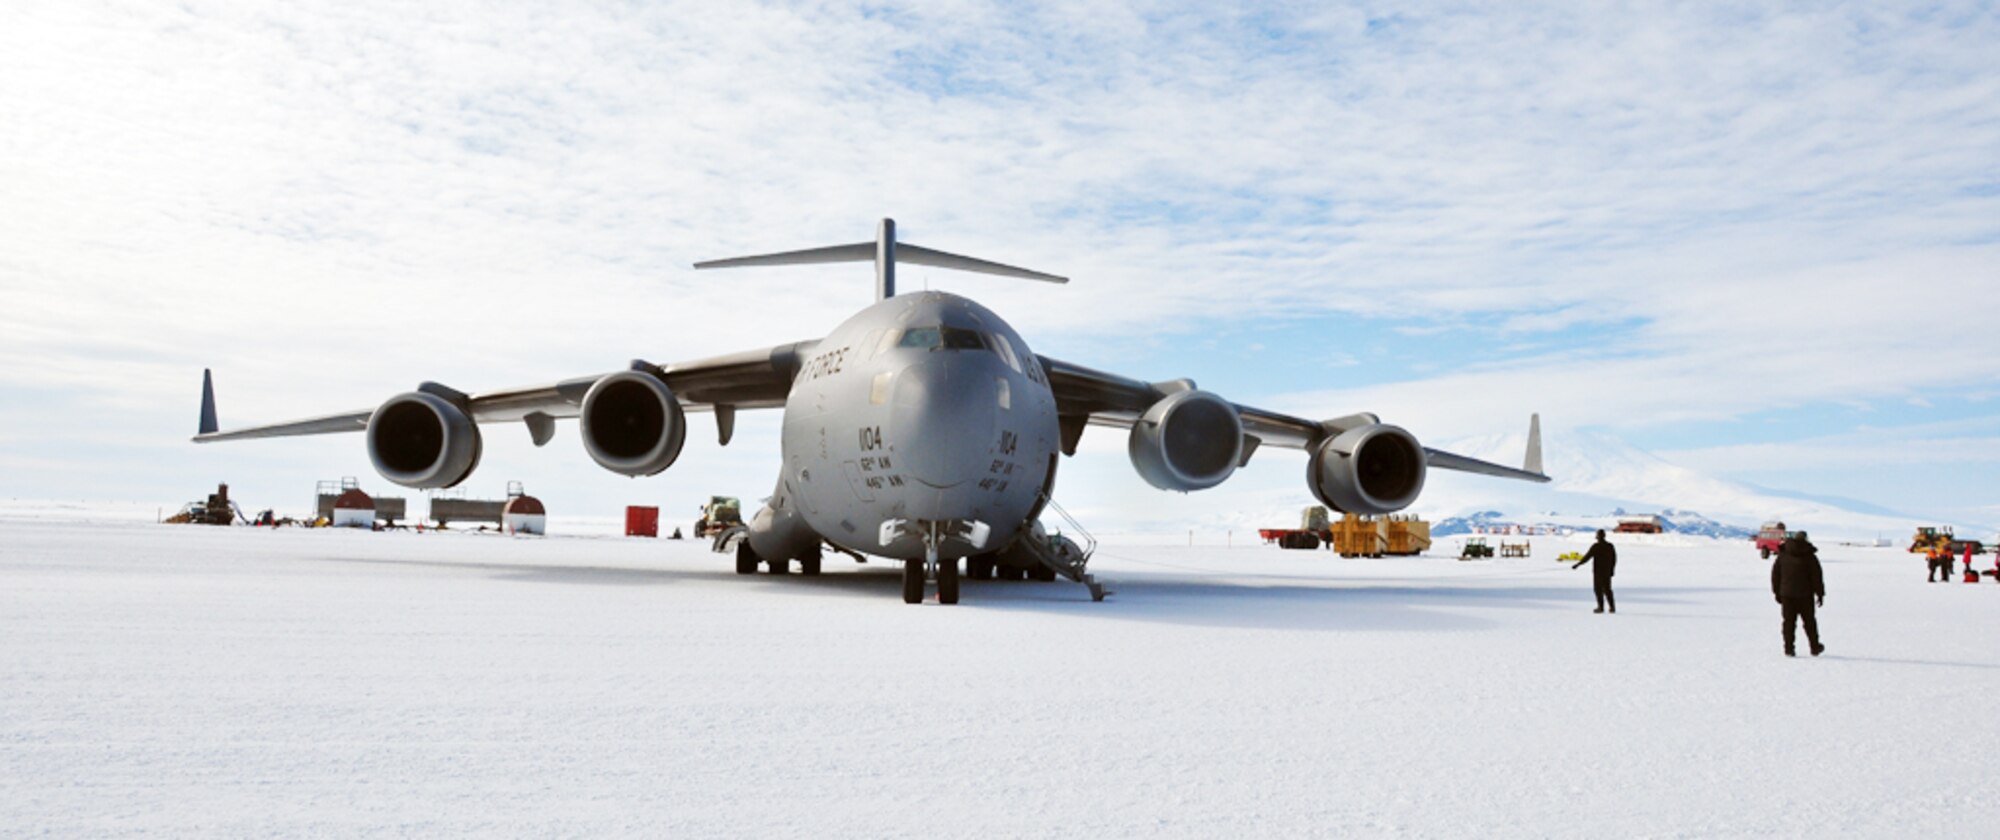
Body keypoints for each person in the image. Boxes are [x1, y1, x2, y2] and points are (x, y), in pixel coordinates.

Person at [1771, 531, 1826, 657]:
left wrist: (1777, 593)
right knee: (1810, 622)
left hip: (1787, 595)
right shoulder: (1810, 556)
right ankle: (1815, 647)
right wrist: (1820, 594)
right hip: (1805, 595)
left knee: (1788, 622)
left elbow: (1775, 575)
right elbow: (1816, 577)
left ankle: (1789, 649)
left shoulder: (1783, 555)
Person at [1572, 529, 1617, 613]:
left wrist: (1578, 564)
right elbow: (1614, 559)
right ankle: (1612, 607)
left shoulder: (1596, 546)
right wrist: (1612, 569)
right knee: (1607, 589)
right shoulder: (1610, 546)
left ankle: (1601, 607)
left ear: (1597, 536)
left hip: (1598, 572)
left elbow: (1587, 557)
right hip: (1607, 571)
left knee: (1598, 589)